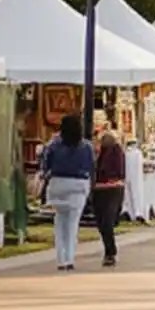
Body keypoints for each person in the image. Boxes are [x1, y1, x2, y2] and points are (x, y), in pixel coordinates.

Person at [43, 115, 94, 271]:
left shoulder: (54, 144)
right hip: (78, 184)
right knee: (73, 224)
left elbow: (46, 163)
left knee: (59, 222)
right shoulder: (86, 146)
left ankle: (60, 259)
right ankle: (70, 258)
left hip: (58, 183)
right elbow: (91, 166)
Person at [92, 130, 126, 267]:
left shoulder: (116, 152)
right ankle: (109, 250)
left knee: (107, 221)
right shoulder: (97, 154)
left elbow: (118, 172)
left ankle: (110, 252)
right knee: (102, 222)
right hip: (100, 189)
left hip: (112, 189)